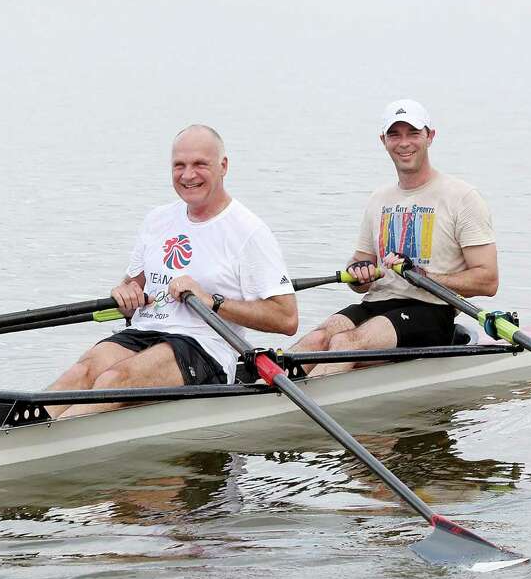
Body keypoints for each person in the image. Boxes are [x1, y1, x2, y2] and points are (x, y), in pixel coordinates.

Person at [45, 125, 298, 418]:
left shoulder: (248, 231)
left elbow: (287, 319)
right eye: (179, 165)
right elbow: (133, 286)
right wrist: (125, 292)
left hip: (204, 346)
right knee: (82, 372)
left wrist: (211, 301)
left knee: (114, 380)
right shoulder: (157, 219)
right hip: (145, 330)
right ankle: (25, 432)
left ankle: (51, 440)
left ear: (223, 166)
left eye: (200, 164)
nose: (188, 175)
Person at [293, 99, 498, 376]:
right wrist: (358, 274)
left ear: (430, 136)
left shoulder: (462, 197)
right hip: (376, 303)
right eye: (394, 135)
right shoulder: (379, 198)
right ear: (384, 141)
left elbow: (488, 280)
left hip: (432, 310)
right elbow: (360, 275)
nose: (404, 143)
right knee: (317, 339)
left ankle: (308, 399)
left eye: (413, 133)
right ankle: (262, 389)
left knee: (345, 343)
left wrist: (425, 276)